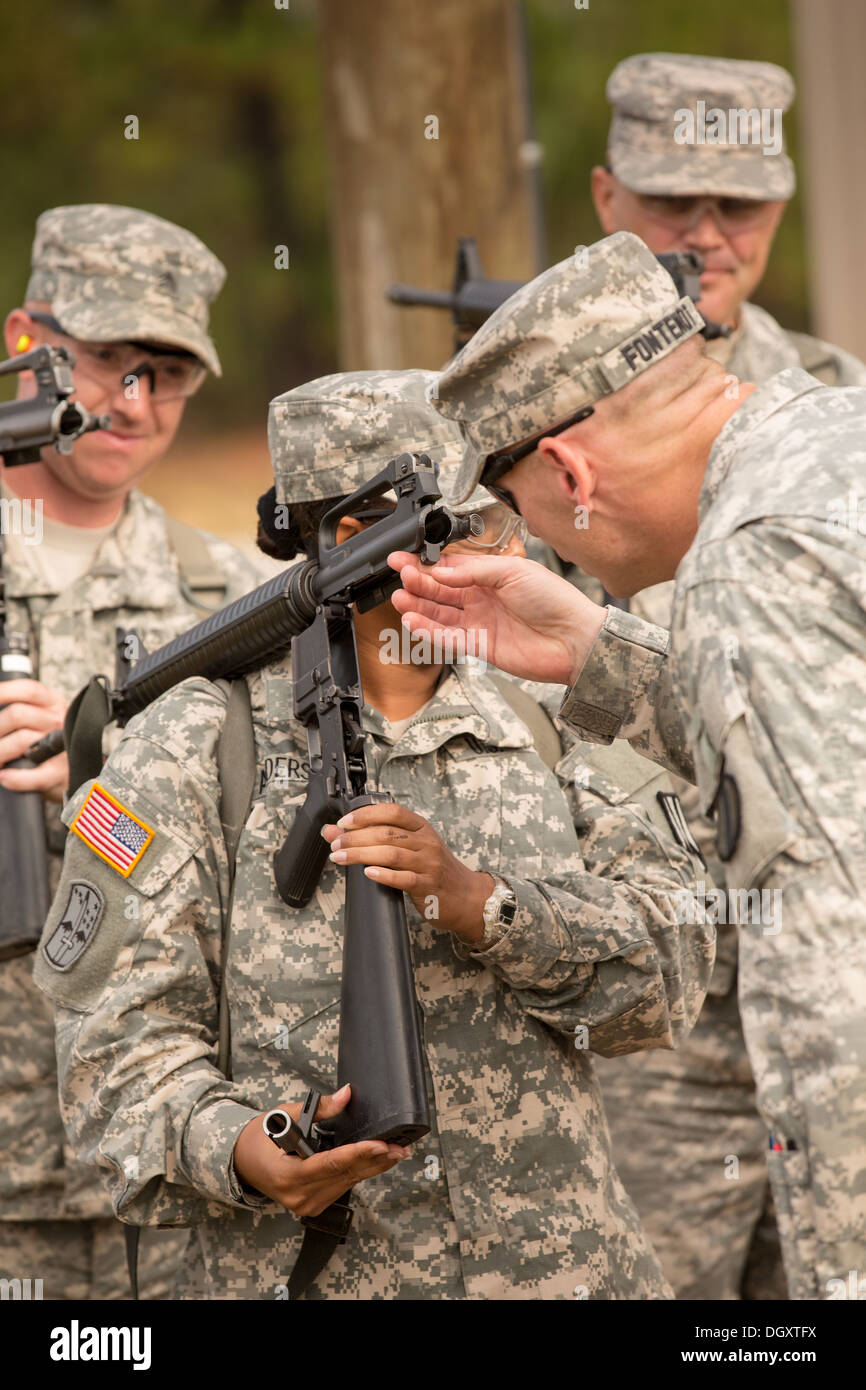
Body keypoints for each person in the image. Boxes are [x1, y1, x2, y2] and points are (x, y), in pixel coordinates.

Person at [33, 369, 713, 1300]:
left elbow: (675, 970)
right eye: (483, 524)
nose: (518, 551)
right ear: (361, 539)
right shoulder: (192, 747)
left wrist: (487, 908)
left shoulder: (559, 709)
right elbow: (113, 1056)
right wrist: (240, 1146)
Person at [391, 231, 866, 1301]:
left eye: (526, 516)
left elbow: (831, 963)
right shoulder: (834, 441)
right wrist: (601, 658)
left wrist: (839, 1274)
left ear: (568, 472)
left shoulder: (748, 564)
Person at [560, 51, 866, 1301]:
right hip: (650, 989)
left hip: (830, 968)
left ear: (778, 209)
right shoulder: (536, 420)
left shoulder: (835, 414)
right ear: (601, 197)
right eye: (668, 198)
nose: (702, 232)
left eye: (733, 204)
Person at [0, 204, 267, 1300]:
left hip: (178, 1165)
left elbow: (290, 837)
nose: (135, 402)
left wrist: (115, 767)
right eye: (110, 359)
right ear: (26, 340)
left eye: (167, 372)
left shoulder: (236, 597)